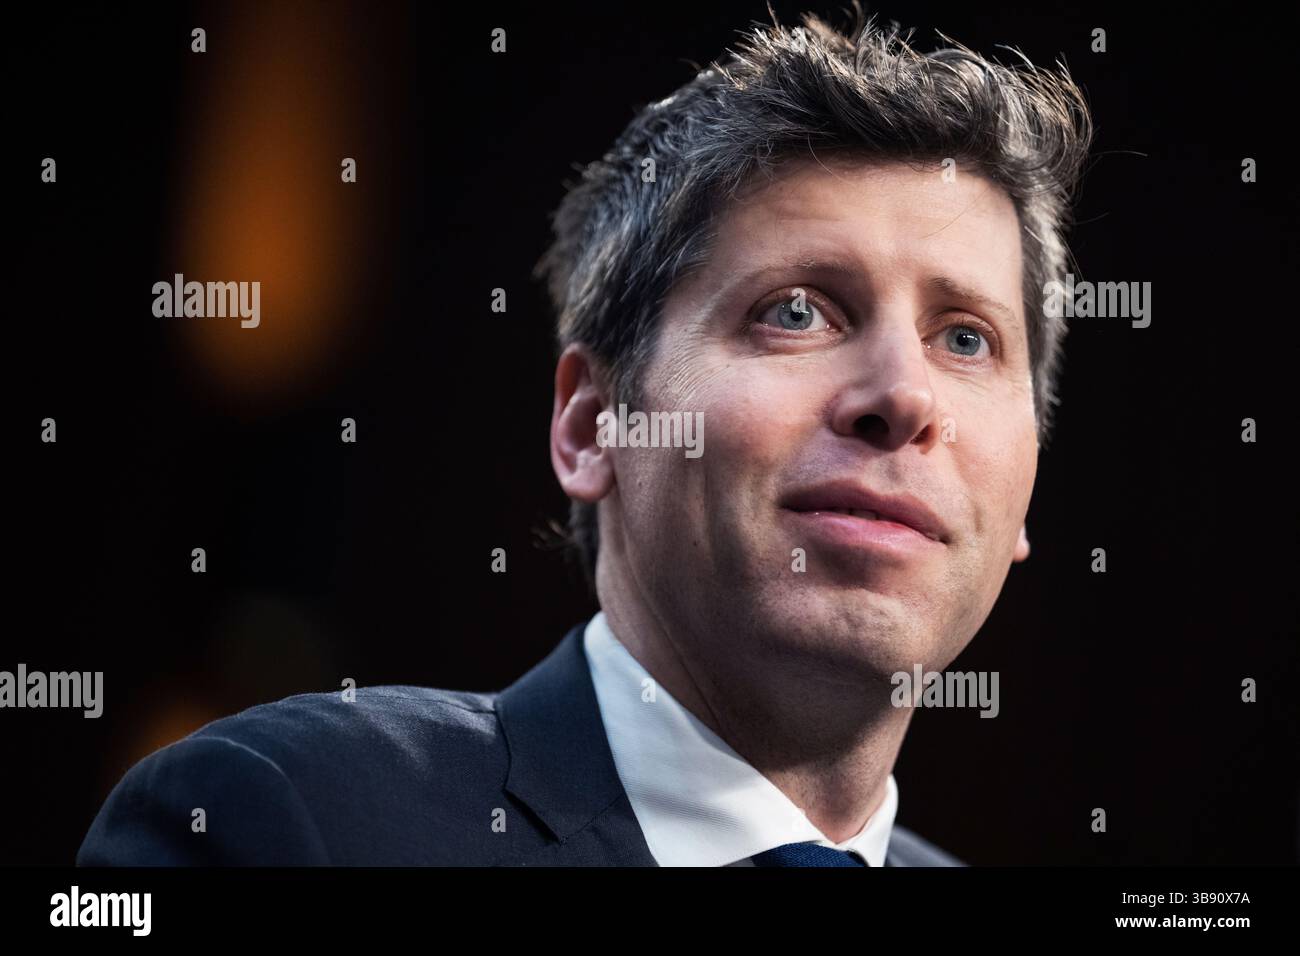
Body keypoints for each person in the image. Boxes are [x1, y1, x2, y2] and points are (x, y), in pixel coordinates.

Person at [78, 6, 1092, 867]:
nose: (901, 394)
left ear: (1026, 492)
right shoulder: (281, 819)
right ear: (590, 423)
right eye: (796, 311)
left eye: (966, 337)